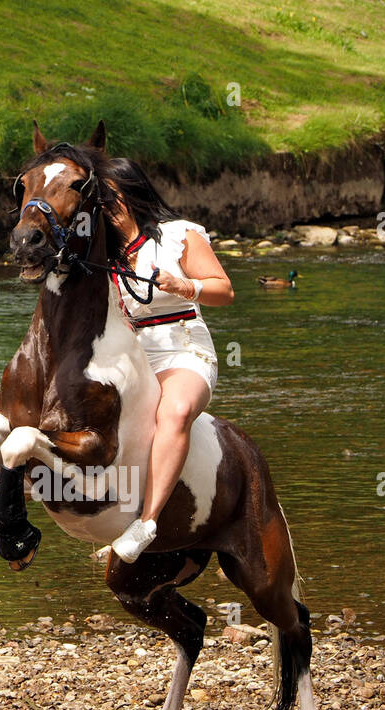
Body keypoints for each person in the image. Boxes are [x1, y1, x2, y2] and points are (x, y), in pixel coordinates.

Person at [101, 157, 234, 563]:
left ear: (134, 195)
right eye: (99, 200)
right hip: (131, 354)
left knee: (174, 412)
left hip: (183, 347)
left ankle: (147, 522)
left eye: (113, 198)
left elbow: (224, 291)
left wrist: (184, 284)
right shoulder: (102, 251)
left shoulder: (179, 235)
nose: (106, 207)